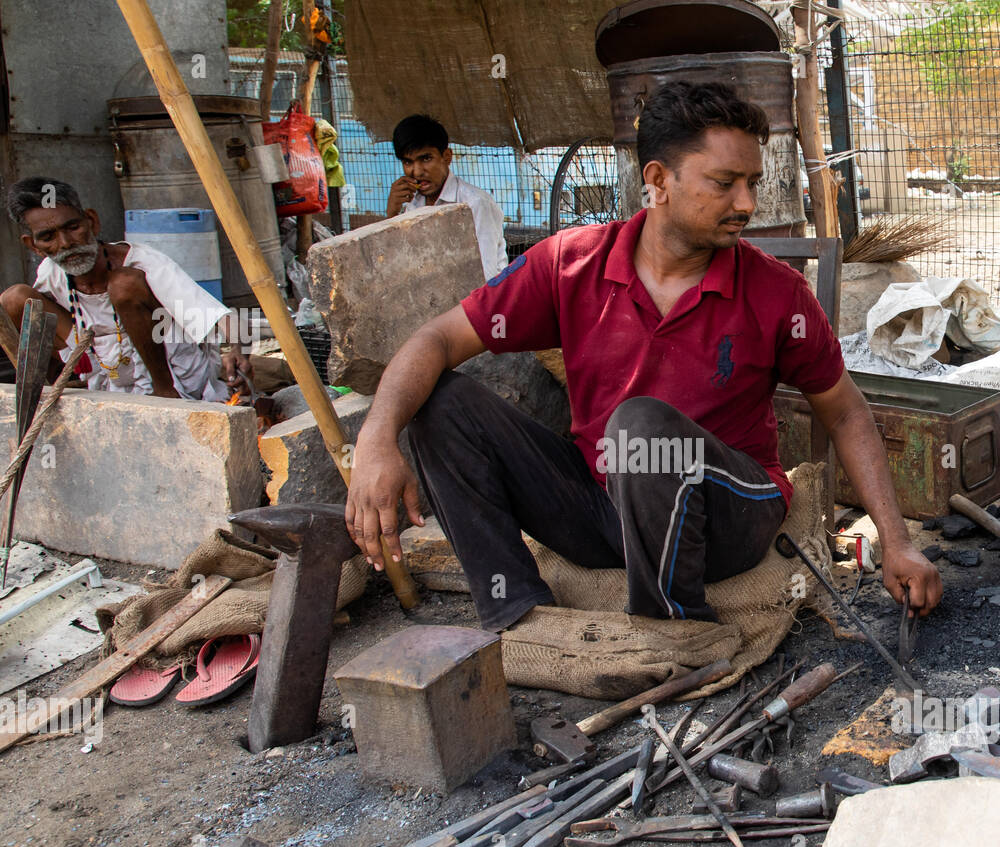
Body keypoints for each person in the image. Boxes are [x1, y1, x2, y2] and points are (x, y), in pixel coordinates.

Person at [348, 82, 942, 633]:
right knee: (440, 402)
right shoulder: (570, 263)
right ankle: (520, 616)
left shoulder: (777, 292)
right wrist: (377, 437)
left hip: (727, 519)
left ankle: (673, 628)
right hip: (603, 509)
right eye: (724, 182)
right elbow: (436, 339)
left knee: (639, 427)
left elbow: (843, 411)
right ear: (657, 179)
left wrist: (897, 542)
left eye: (753, 183)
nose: (746, 203)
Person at [1, 177, 246, 400]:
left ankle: (165, 396)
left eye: (73, 228)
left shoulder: (144, 262)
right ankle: (52, 398)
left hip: (174, 378)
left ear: (92, 221)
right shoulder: (50, 273)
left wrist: (237, 350)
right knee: (14, 300)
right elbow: (41, 329)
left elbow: (217, 317)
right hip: (107, 378)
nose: (66, 244)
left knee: (123, 284)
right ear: (33, 246)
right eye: (48, 237)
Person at [384, 114, 508, 281]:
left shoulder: (475, 203)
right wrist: (391, 215)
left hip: (479, 301)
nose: (417, 171)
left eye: (426, 159)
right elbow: (398, 263)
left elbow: (486, 276)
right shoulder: (412, 203)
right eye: (408, 162)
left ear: (447, 157)